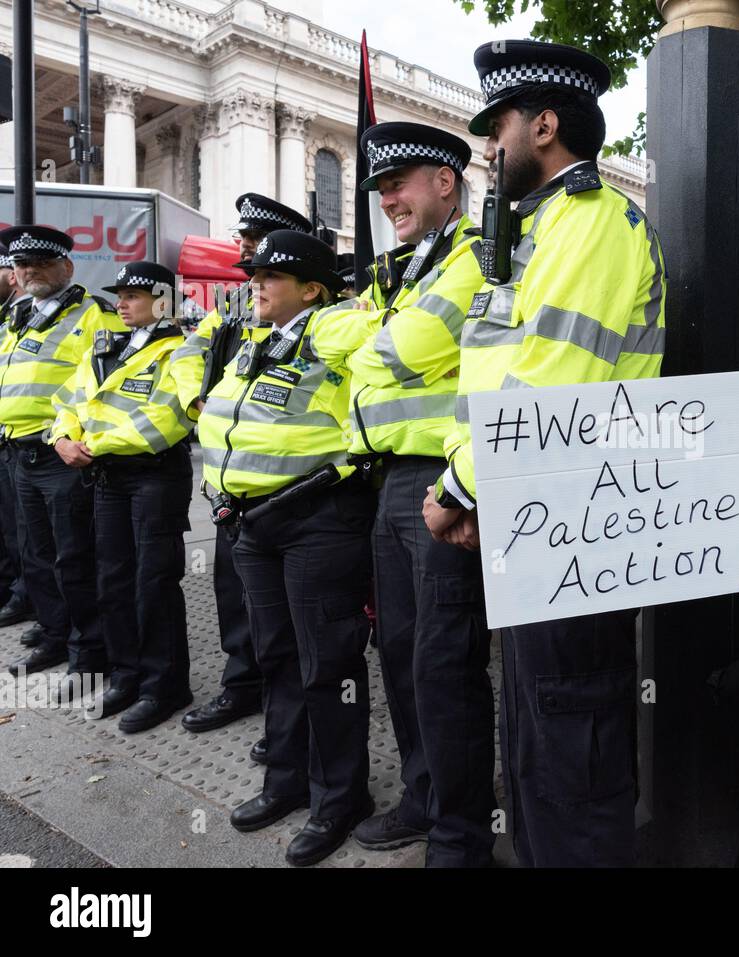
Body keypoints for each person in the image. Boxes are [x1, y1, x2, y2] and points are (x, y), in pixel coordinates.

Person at [423, 39, 667, 867]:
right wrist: (471, 482)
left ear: (547, 126)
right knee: (537, 734)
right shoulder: (543, 228)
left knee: (574, 745)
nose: (491, 148)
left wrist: (456, 488)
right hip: (535, 515)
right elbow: (489, 376)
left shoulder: (593, 221)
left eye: (500, 128)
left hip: (579, 522)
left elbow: (551, 379)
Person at [342, 122, 496, 866]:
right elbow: (381, 354)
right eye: (379, 189)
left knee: (445, 664)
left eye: (398, 183)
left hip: (443, 485)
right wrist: (374, 346)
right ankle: (424, 796)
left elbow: (396, 352)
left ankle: (462, 835)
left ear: (445, 181)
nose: (387, 200)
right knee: (401, 654)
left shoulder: (471, 260)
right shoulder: (410, 272)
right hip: (393, 482)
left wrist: (369, 346)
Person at [198, 230, 379, 866]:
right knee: (276, 656)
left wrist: (348, 313)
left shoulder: (330, 327)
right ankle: (287, 780)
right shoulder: (256, 343)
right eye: (253, 276)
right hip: (251, 524)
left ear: (310, 289)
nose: (254, 286)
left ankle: (340, 797)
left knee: (326, 662)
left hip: (317, 520)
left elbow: (372, 341)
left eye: (268, 278)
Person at [171, 194, 313, 756]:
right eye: (246, 243)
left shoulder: (310, 308)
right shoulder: (231, 304)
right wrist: (197, 402)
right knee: (233, 593)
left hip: (288, 488)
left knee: (283, 615)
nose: (246, 252)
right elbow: (186, 354)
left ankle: (289, 718)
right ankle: (243, 686)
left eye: (259, 244)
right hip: (232, 482)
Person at [49, 261, 195, 731]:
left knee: (153, 583)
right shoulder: (105, 346)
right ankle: (127, 674)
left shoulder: (182, 350)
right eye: (120, 295)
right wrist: (61, 439)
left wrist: (90, 445)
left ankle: (164, 686)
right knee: (112, 579)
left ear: (163, 301)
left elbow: (167, 421)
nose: (121, 303)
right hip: (108, 477)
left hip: (152, 477)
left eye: (132, 296)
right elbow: (71, 400)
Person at [0, 226, 124, 689]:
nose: (29, 271)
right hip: (19, 452)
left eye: (40, 263)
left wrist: (66, 437)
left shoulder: (95, 315)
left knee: (74, 560)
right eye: (21, 264)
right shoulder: (19, 315)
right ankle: (55, 635)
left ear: (66, 268)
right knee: (35, 556)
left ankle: (90, 656)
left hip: (62, 455)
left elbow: (103, 388)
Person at [0, 244, 37, 634]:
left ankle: (36, 605)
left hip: (43, 447)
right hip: (11, 439)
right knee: (16, 534)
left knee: (36, 542)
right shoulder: (13, 317)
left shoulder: (88, 315)